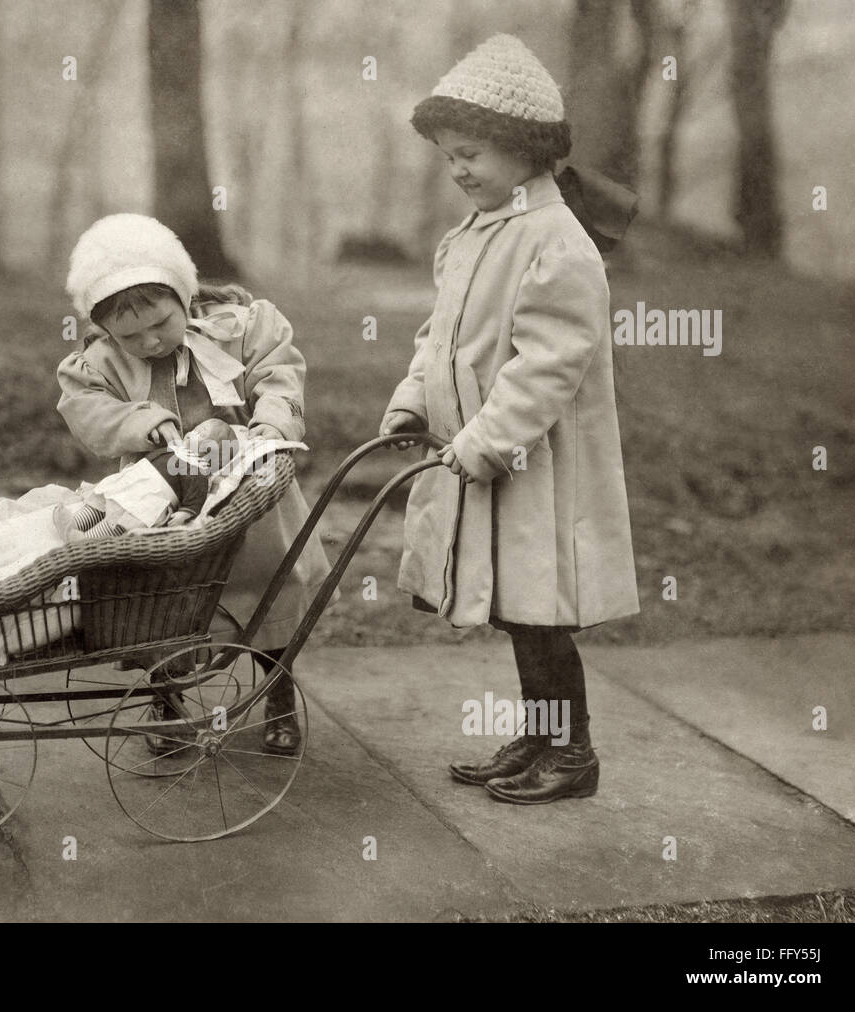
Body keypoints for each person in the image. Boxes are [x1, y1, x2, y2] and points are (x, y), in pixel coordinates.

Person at [378, 35, 640, 804]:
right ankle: (541, 734)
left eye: (473, 154)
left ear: (526, 150)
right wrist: (412, 402)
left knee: (541, 612)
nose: (459, 169)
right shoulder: (471, 235)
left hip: (535, 465)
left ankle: (574, 752)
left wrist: (485, 442)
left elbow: (549, 364)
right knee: (516, 611)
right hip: (481, 460)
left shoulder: (557, 241)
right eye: (448, 155)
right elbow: (439, 338)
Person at [57, 213, 333, 755]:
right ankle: (166, 699)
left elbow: (279, 375)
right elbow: (85, 407)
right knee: (163, 599)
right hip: (162, 498)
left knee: (266, 592)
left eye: (161, 322)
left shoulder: (241, 328)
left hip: (250, 492)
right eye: (130, 335)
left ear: (184, 297)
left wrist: (270, 425)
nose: (151, 342)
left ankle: (278, 692)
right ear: (105, 329)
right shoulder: (99, 361)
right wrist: (140, 421)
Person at [53, 418, 235, 540]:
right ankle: (75, 522)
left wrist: (185, 513)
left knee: (121, 518)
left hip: (150, 497)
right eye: (196, 428)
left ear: (207, 450)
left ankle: (87, 541)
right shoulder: (177, 450)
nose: (192, 432)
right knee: (103, 499)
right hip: (133, 482)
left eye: (200, 433)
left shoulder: (197, 471)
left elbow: (196, 497)